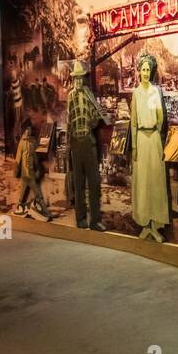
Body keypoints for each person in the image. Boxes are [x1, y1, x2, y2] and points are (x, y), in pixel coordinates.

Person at [129, 53, 170, 241]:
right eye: (143, 69)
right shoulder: (136, 93)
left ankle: (156, 223)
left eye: (148, 69)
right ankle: (144, 223)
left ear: (151, 71)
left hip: (153, 138)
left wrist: (157, 137)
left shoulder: (155, 91)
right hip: (141, 140)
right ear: (139, 71)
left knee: (155, 180)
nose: (145, 72)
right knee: (142, 181)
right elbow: (133, 122)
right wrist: (135, 148)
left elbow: (160, 117)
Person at [66, 61, 106, 231]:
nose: (78, 82)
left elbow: (97, 117)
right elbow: (68, 121)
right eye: (76, 79)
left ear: (83, 79)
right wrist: (69, 145)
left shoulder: (89, 94)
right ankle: (80, 219)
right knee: (79, 182)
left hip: (89, 142)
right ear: (73, 79)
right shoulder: (70, 96)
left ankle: (95, 221)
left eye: (81, 78)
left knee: (94, 183)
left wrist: (94, 121)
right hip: (76, 143)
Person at [13, 119, 51, 220]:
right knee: (37, 194)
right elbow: (18, 158)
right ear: (24, 131)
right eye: (26, 129)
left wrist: (38, 169)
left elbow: (36, 158)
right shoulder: (22, 142)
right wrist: (15, 171)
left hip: (31, 173)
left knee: (31, 194)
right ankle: (45, 213)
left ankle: (43, 212)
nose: (28, 131)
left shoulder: (34, 141)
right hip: (26, 174)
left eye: (29, 129)